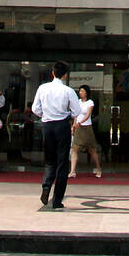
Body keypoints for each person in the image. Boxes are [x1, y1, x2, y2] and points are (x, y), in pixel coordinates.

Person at [30, 61, 81, 209]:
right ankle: (57, 200)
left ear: (53, 73)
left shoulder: (42, 88)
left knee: (49, 160)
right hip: (62, 125)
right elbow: (76, 111)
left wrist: (45, 114)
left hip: (47, 125)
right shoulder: (68, 91)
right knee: (62, 162)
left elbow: (35, 109)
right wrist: (67, 114)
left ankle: (46, 186)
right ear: (65, 75)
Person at [69, 84, 102, 179]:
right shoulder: (77, 102)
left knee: (91, 149)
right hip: (78, 128)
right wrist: (73, 126)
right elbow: (75, 115)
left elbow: (87, 115)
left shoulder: (90, 102)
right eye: (80, 91)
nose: (80, 93)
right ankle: (72, 171)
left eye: (82, 91)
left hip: (87, 128)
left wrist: (80, 122)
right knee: (74, 148)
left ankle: (98, 168)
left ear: (87, 92)